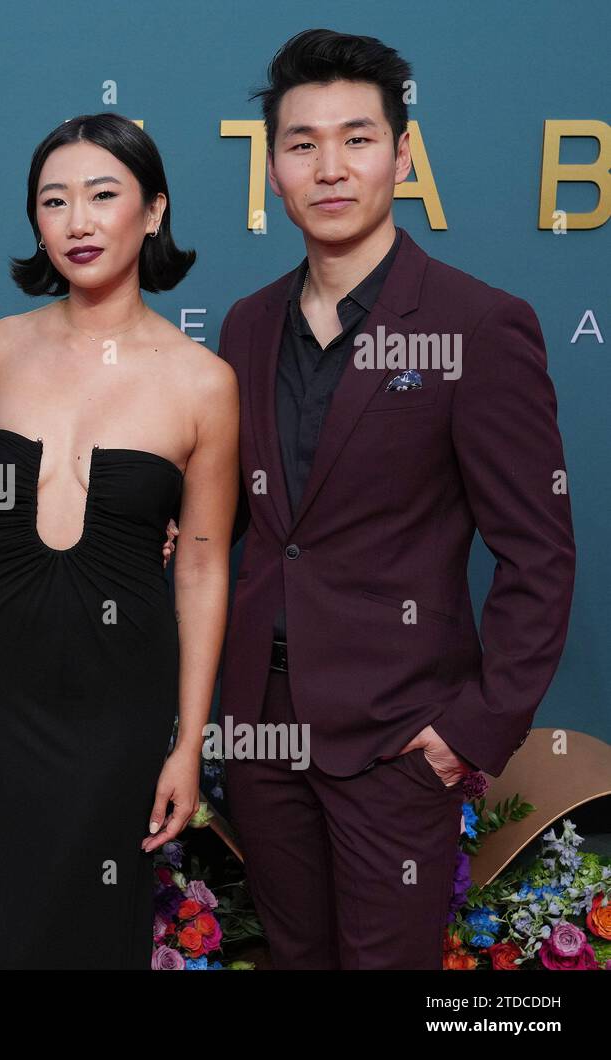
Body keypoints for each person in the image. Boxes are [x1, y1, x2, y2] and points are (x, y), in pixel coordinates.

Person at [216, 29, 576, 969]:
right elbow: (252, 526)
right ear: (272, 167)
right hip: (263, 727)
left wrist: (467, 733)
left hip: (397, 741)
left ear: (403, 156)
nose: (330, 167)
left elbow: (540, 554)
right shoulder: (248, 327)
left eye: (358, 138)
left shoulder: (476, 324)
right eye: (302, 144)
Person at [0, 113, 240, 968]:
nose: (77, 221)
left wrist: (189, 741)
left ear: (153, 212)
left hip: (116, 707)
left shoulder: (203, 383)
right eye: (54, 200)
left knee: (89, 929)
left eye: (103, 196)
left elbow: (207, 565)